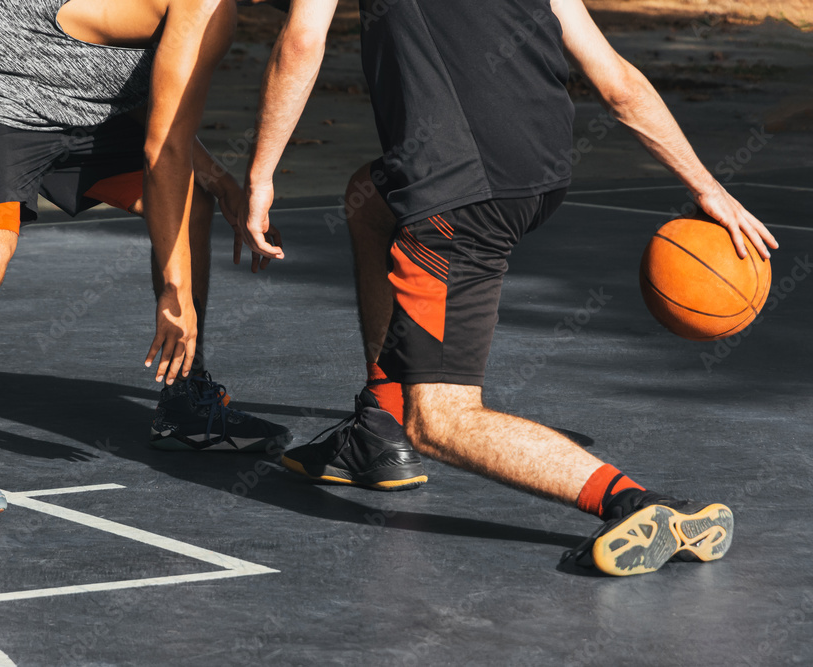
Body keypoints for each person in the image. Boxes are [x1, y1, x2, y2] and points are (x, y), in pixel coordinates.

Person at [238, 0, 778, 575]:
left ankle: (638, 503)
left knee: (442, 419)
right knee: (368, 200)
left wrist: (261, 174)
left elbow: (301, 40)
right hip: (540, 171)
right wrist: (707, 184)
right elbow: (616, 80)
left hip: (462, 194)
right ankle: (378, 423)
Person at [0, 0, 291, 524]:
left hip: (82, 107)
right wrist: (173, 291)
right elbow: (164, 149)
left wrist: (218, 177)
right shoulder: (208, 7)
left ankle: (186, 404)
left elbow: (144, 94)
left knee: (194, 202)